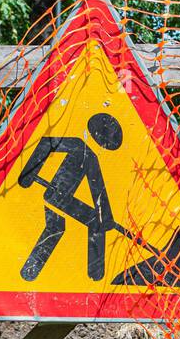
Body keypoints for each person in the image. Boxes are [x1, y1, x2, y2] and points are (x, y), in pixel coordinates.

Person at [18, 112, 125, 281]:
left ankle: (30, 272)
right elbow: (46, 143)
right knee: (85, 224)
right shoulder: (79, 147)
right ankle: (95, 274)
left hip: (61, 197)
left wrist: (106, 217)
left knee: (59, 227)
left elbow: (98, 191)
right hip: (57, 195)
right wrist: (27, 176)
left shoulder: (90, 156)